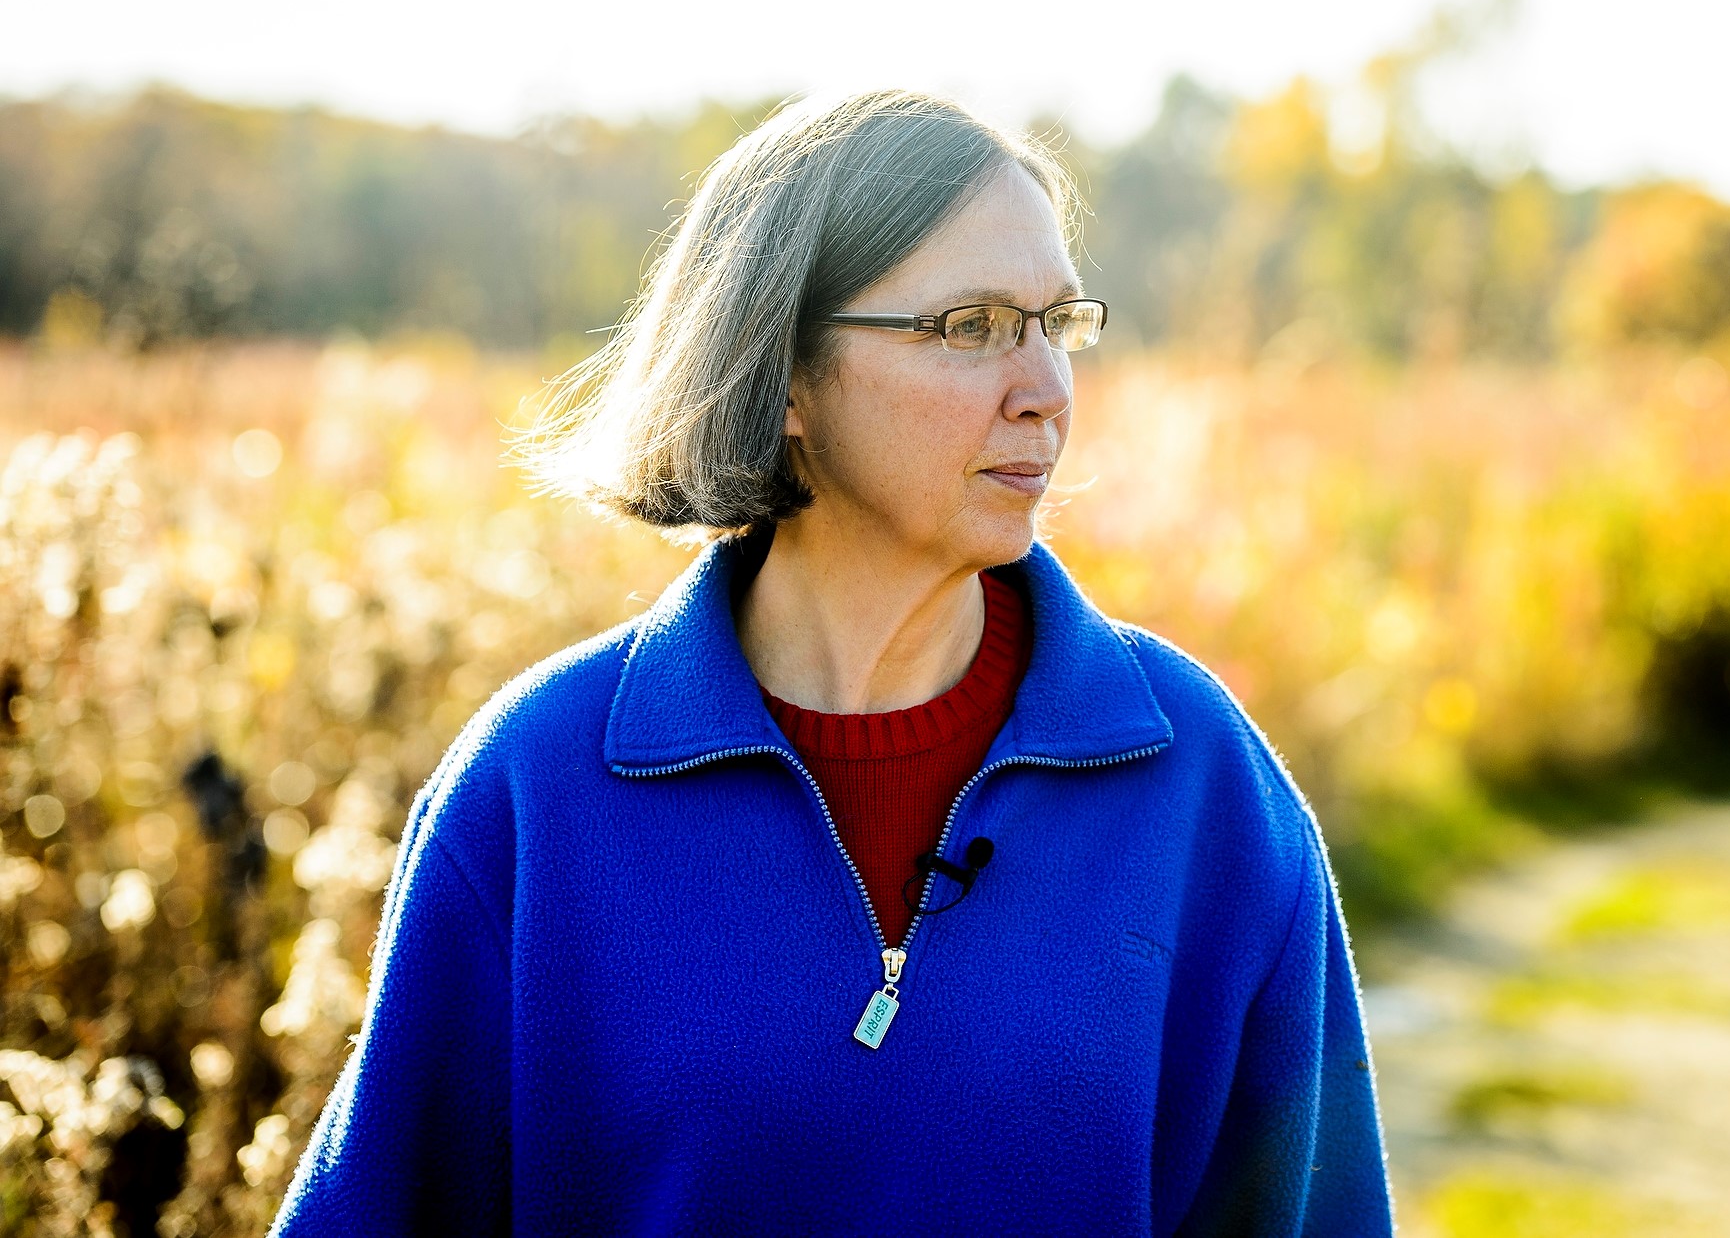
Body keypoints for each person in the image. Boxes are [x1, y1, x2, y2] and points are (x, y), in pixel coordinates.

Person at [268, 89, 1395, 1236]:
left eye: (1059, 324)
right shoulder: (535, 787)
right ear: (786, 373)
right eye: (972, 326)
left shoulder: (1197, 780)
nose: (1046, 391)